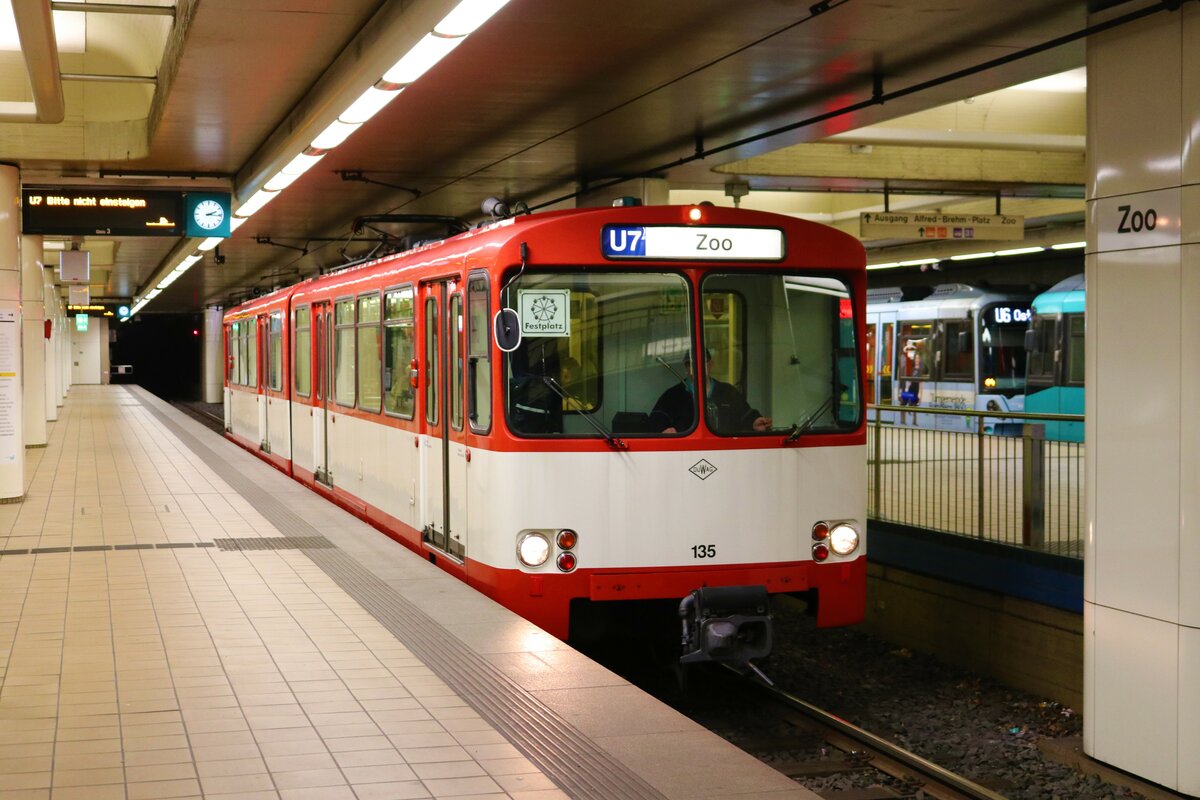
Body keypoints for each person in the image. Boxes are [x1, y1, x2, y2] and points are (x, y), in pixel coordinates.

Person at [650, 349, 772, 434]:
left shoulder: (728, 391)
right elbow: (656, 421)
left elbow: (745, 415)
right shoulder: (672, 395)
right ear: (686, 368)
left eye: (701, 362)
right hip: (685, 453)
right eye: (689, 364)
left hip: (726, 451)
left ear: (711, 364)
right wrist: (663, 431)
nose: (695, 367)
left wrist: (754, 422)